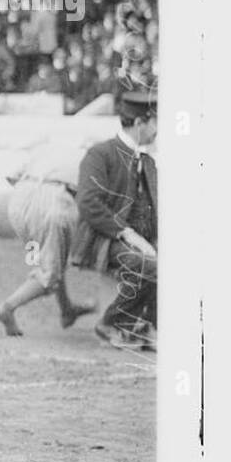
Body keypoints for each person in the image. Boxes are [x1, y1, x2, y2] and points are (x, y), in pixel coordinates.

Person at [72, 87, 158, 350]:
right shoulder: (100, 154)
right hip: (103, 240)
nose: (157, 130)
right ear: (140, 123)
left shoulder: (148, 161)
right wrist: (128, 234)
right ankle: (110, 323)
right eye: (155, 123)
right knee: (151, 265)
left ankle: (143, 328)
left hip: (138, 241)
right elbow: (88, 202)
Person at [0, 140, 97, 336]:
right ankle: (7, 307)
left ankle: (67, 310)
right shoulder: (94, 159)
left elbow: (12, 176)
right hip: (54, 201)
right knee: (50, 271)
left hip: (19, 200)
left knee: (52, 258)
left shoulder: (51, 150)